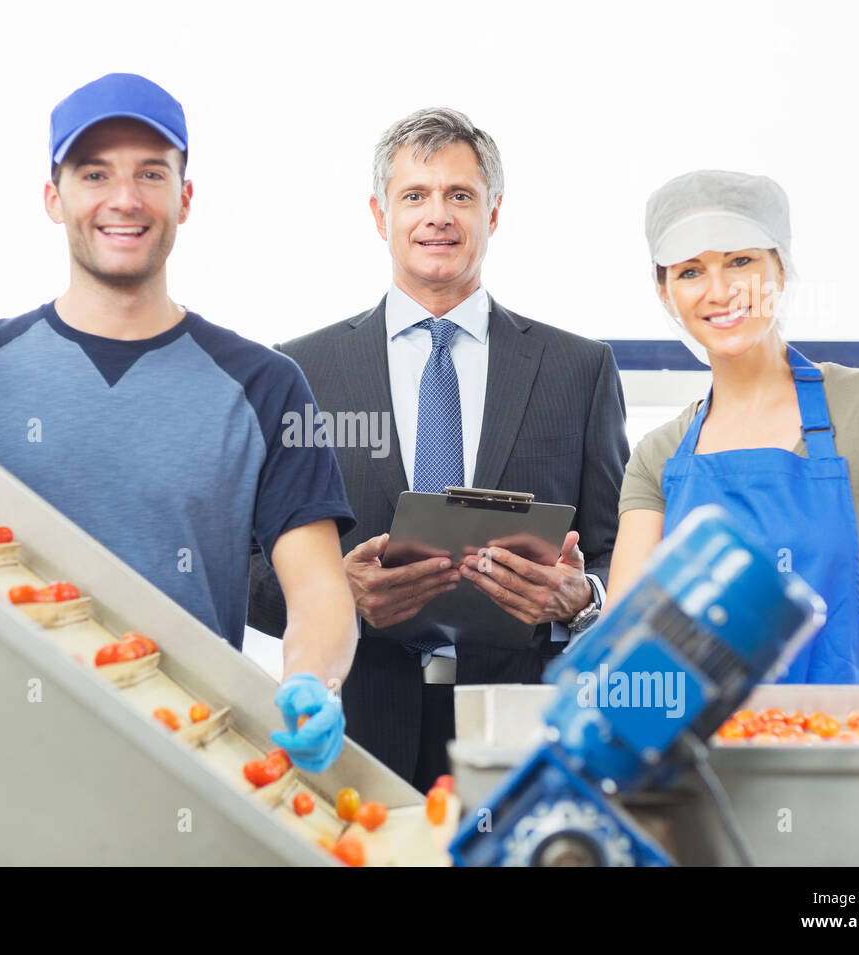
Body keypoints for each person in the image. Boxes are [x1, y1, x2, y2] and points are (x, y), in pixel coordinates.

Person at [0, 73, 358, 770]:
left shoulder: (265, 387)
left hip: (184, 763)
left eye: (151, 173)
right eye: (95, 173)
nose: (124, 199)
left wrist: (313, 681)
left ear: (185, 198)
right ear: (54, 197)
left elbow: (318, 590)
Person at [249, 108, 628, 790]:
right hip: (357, 726)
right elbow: (249, 566)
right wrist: (338, 595)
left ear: (493, 212)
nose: (438, 216)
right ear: (380, 215)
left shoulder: (579, 370)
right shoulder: (303, 371)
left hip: (522, 728)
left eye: (460, 195)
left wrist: (583, 597)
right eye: (415, 195)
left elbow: (617, 550)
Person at [607, 168, 859, 680]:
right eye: (690, 271)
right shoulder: (659, 454)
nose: (719, 291)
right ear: (665, 292)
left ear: (780, 271)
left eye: (740, 261)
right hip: (691, 732)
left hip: (827, 729)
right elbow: (624, 651)